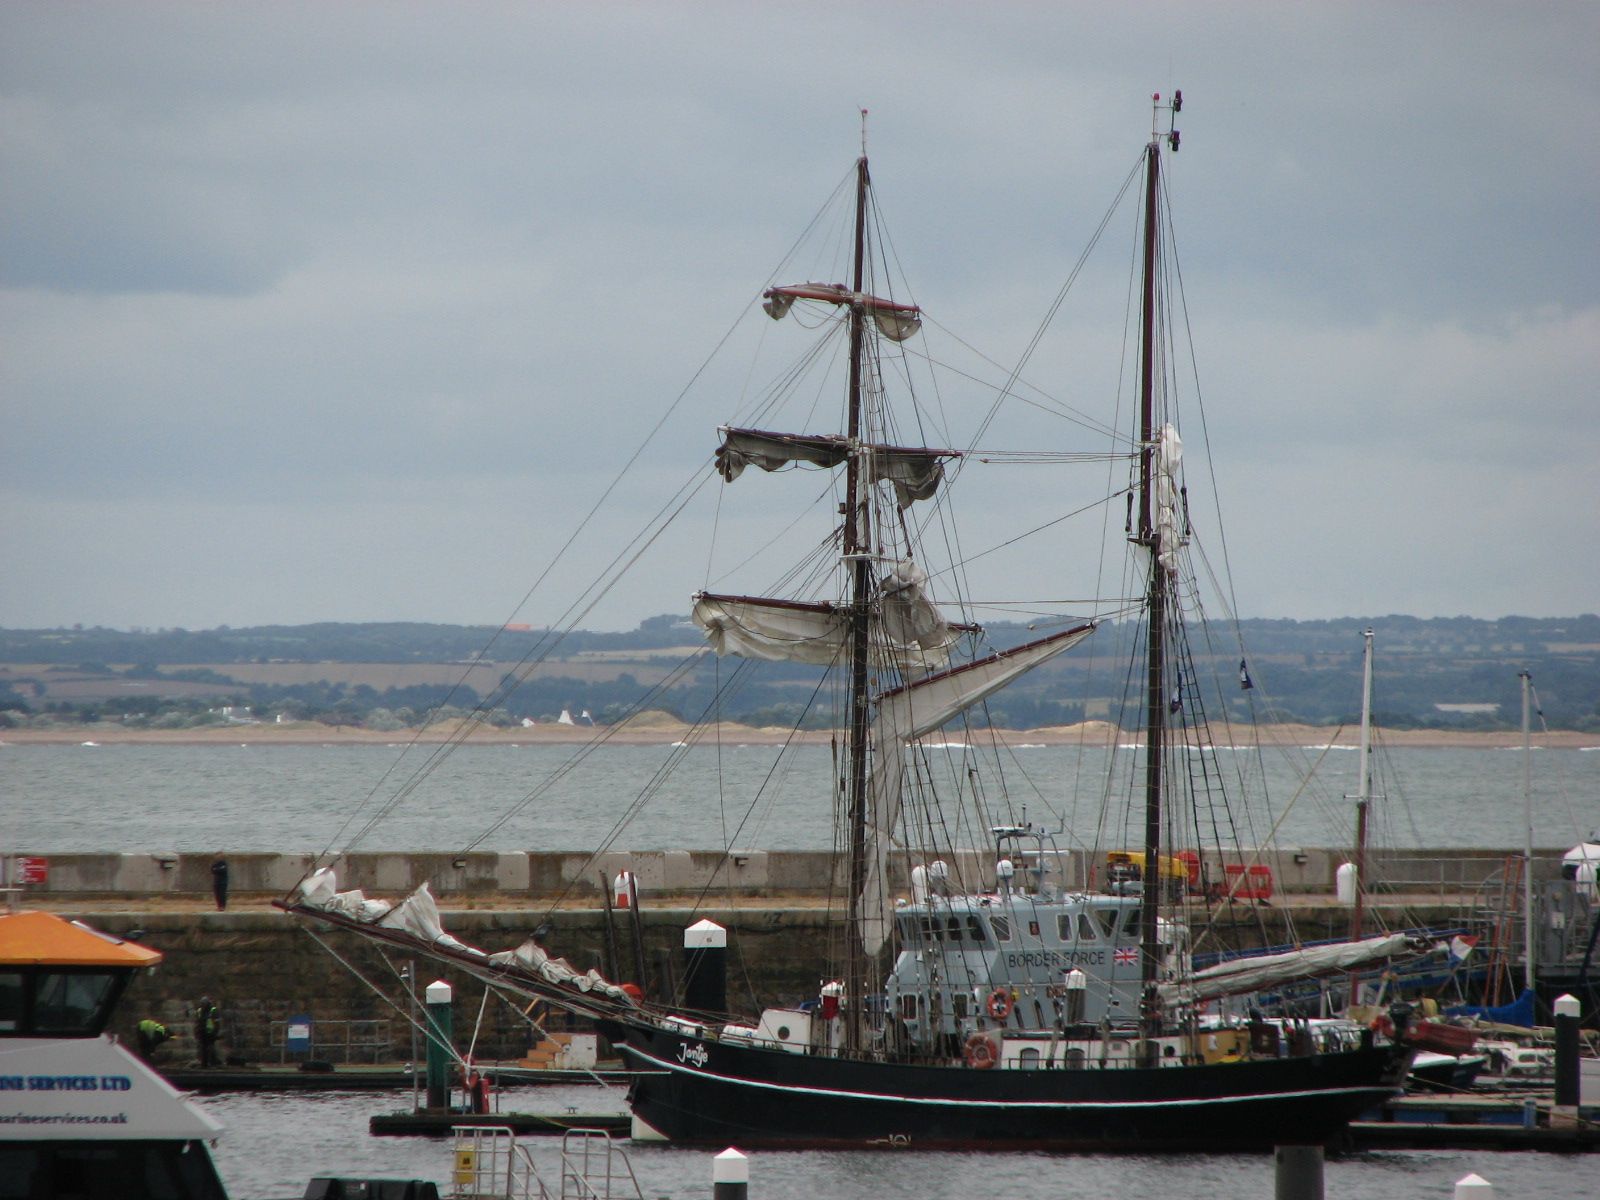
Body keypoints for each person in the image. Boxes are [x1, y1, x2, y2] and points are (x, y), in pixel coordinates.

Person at [194, 997, 221, 1068]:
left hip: (210, 1033)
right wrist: (197, 1031)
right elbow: (197, 1022)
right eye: (202, 1005)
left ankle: (213, 1062)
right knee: (203, 1049)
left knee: (210, 1048)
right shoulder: (199, 1011)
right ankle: (204, 1064)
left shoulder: (213, 1011)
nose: (203, 1006)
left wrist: (215, 1033)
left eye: (204, 1005)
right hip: (202, 1032)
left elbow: (217, 1023)